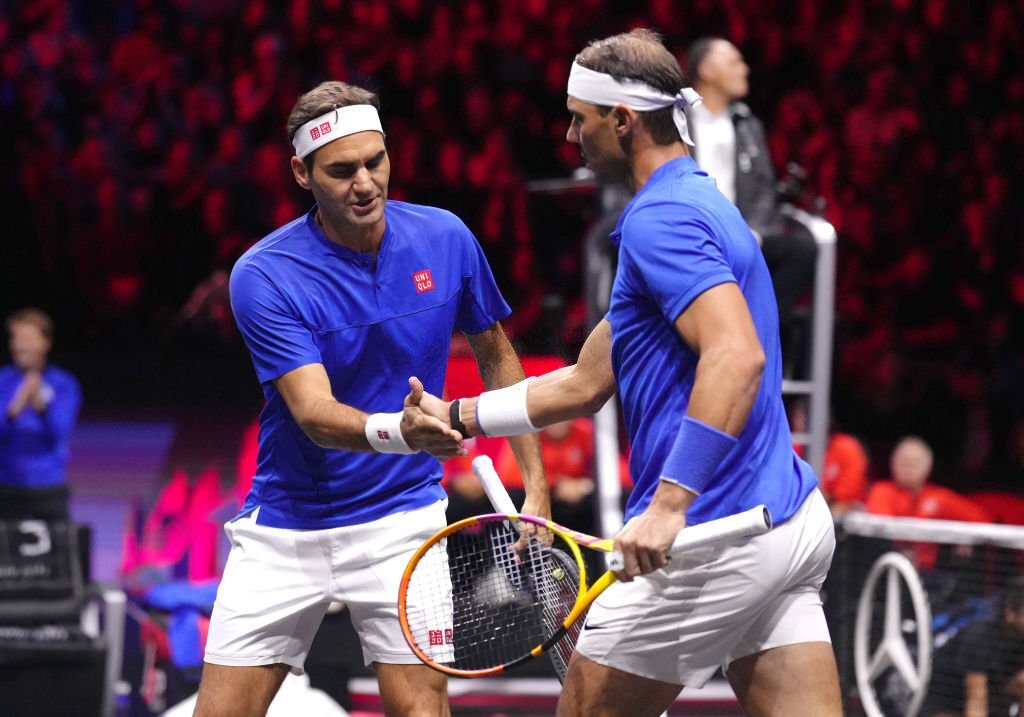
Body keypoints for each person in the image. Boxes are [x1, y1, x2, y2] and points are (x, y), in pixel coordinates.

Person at [422, 29, 841, 717]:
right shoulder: (699, 204)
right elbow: (586, 381)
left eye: (578, 118)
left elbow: (737, 355)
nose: (569, 135)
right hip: (787, 526)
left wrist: (670, 505)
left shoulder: (663, 220)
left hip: (712, 536)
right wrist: (462, 416)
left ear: (621, 119)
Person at [192, 81, 548, 717]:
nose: (365, 183)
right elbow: (313, 414)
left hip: (402, 525)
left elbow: (498, 357)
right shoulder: (265, 274)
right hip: (285, 530)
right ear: (302, 172)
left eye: (375, 161)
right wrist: (402, 432)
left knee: (421, 712)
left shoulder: (446, 238)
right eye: (341, 170)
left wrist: (537, 488)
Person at [685, 37, 819, 375]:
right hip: (689, 230)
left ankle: (754, 339)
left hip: (741, 232)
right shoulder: (675, 120)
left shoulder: (747, 124)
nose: (744, 70)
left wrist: (755, 231)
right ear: (707, 70)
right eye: (734, 62)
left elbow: (763, 189)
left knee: (801, 250)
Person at [0, 307, 81, 521]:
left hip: (48, 487)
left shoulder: (63, 384)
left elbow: (60, 432)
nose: (20, 346)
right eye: (16, 339)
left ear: (45, 343)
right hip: (7, 487)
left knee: (61, 553)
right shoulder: (2, 381)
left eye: (27, 338)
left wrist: (39, 405)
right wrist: (15, 408)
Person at [923, 577, 1024, 717]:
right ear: (1010, 614)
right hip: (948, 700)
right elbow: (976, 705)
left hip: (992, 693)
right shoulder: (981, 637)